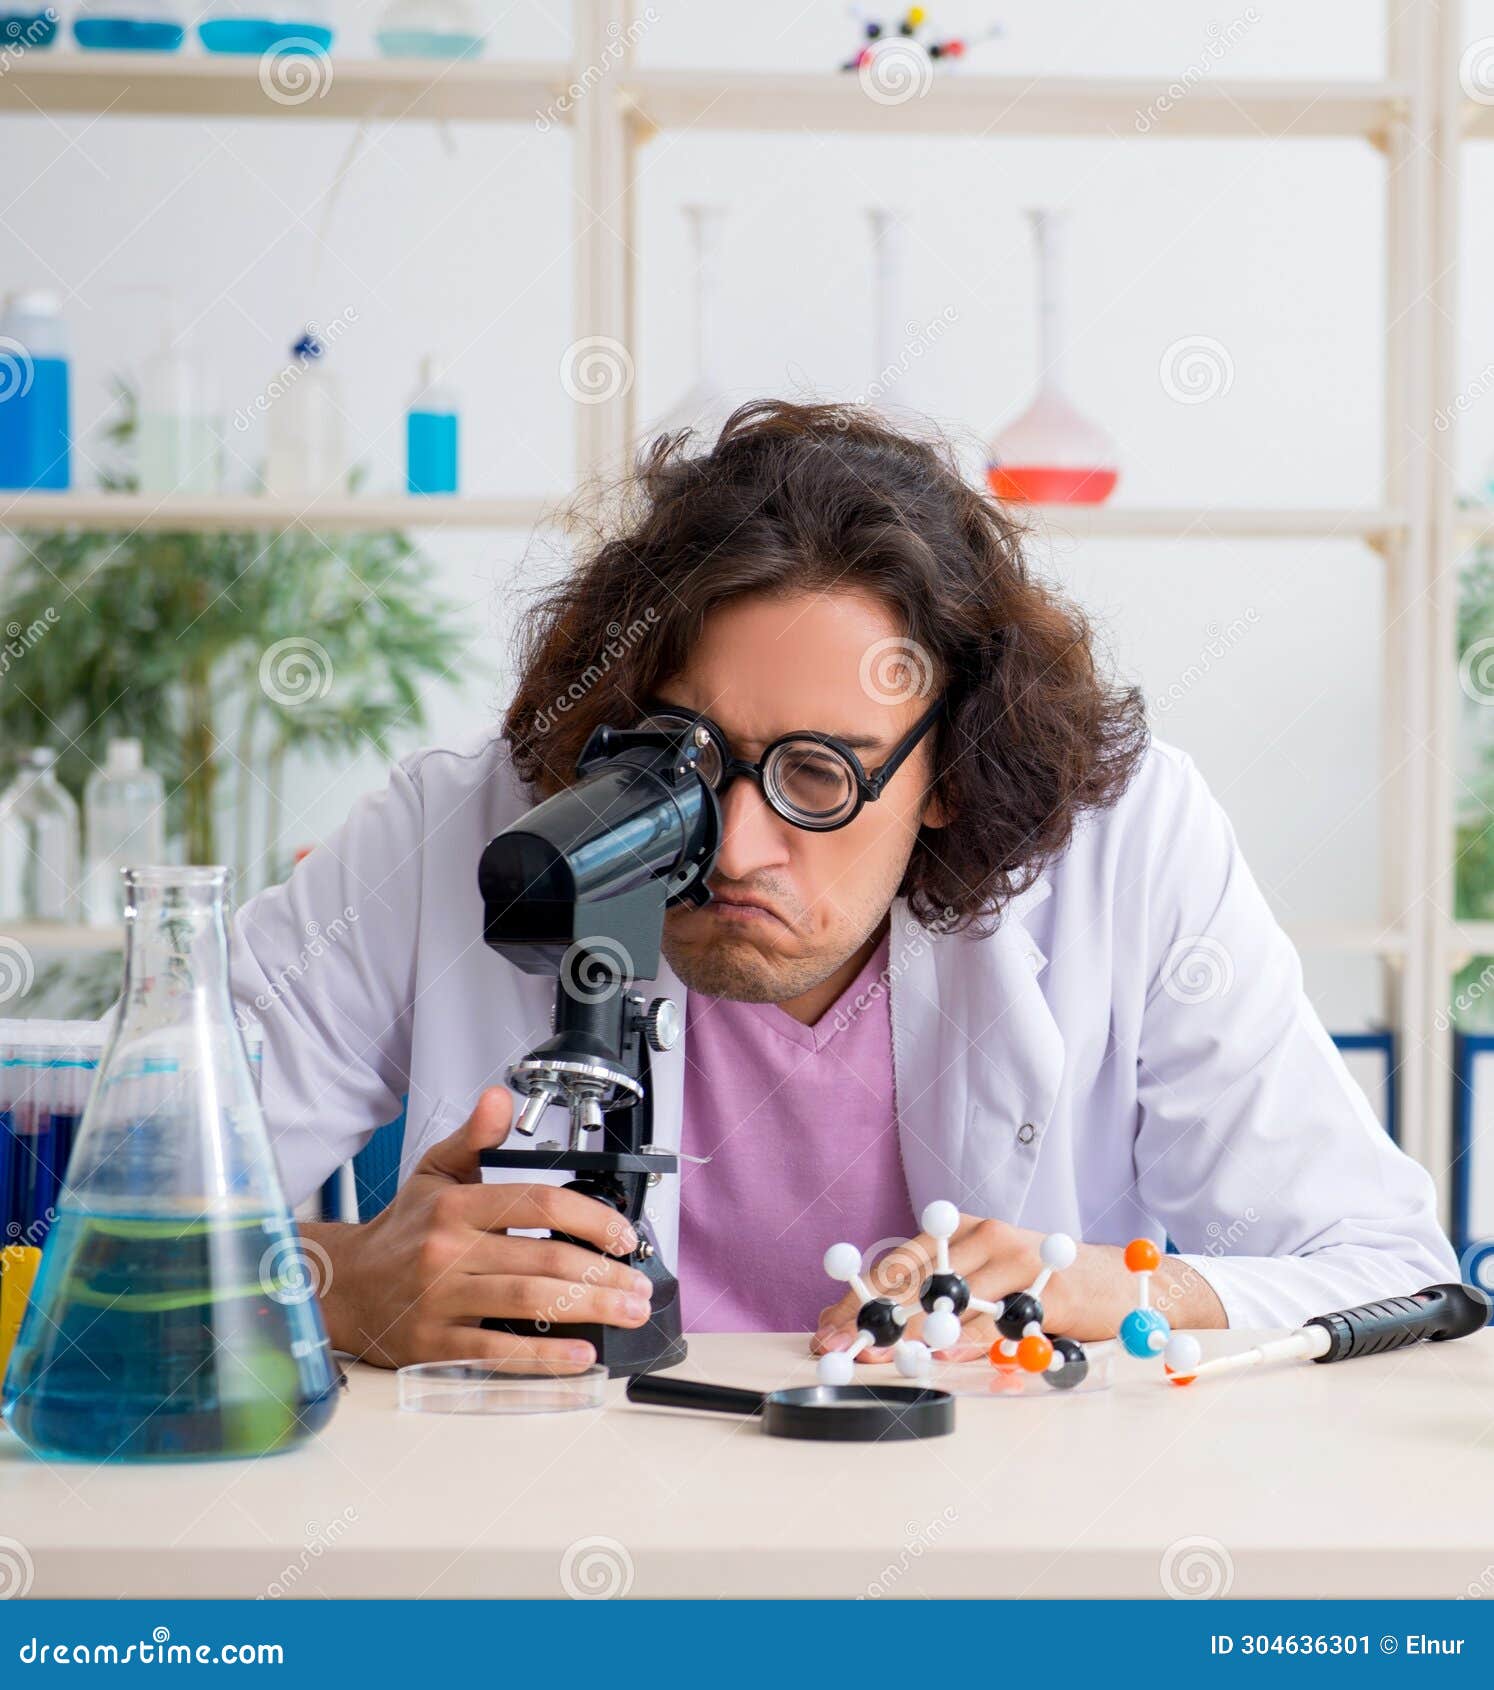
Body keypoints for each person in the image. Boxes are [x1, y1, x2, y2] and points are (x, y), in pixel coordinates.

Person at [234, 400, 1457, 1372]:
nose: (740, 845)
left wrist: (1096, 1286)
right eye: (689, 761)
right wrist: (338, 1285)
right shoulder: (463, 830)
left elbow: (1397, 1273)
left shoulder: (1124, 855)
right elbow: (72, 1236)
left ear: (949, 774)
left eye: (818, 774)